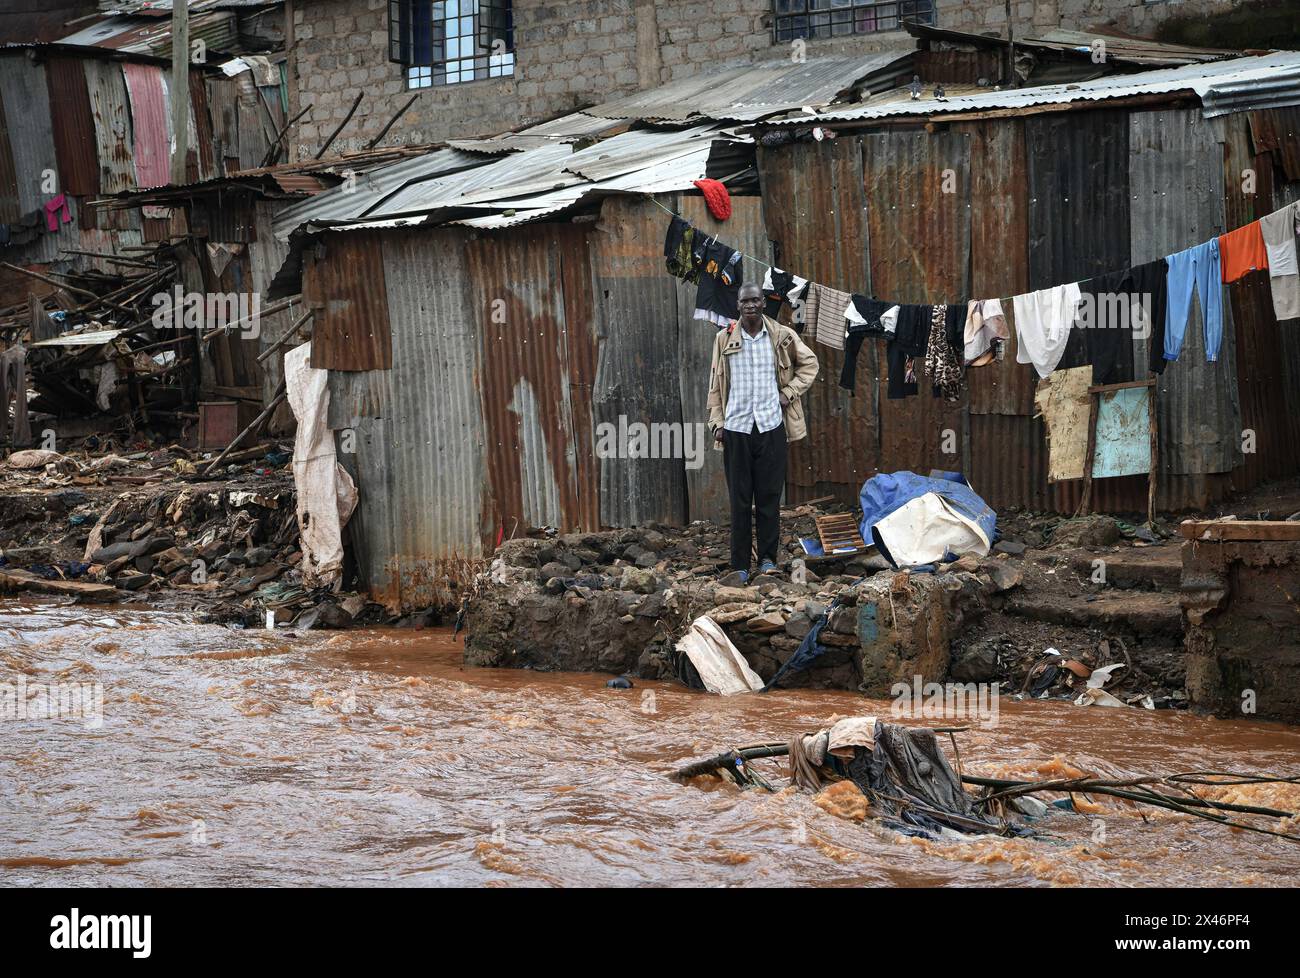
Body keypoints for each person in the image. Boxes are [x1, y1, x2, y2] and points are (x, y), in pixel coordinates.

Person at [706, 283, 819, 582]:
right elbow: (715, 388)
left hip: (771, 427)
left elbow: (809, 364)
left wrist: (789, 393)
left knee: (769, 499)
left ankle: (768, 561)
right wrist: (717, 423)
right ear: (738, 305)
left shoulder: (781, 336)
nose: (751, 306)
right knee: (740, 501)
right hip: (736, 429)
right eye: (745, 301)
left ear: (763, 303)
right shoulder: (724, 338)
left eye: (756, 300)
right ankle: (740, 566)